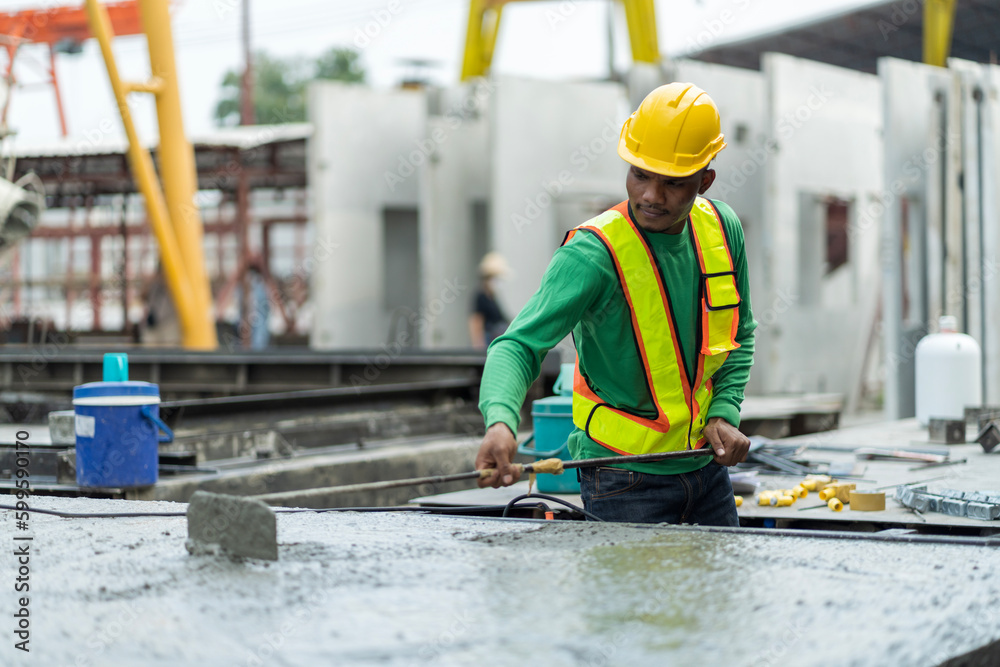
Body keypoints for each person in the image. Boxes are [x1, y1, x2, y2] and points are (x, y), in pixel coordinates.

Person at [474, 82, 756, 525]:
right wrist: (501, 422)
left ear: (705, 180)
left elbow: (741, 334)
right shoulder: (592, 254)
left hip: (707, 472)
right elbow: (518, 345)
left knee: (717, 596)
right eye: (640, 174)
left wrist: (724, 411)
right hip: (622, 480)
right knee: (628, 597)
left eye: (672, 183)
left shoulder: (723, 232)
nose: (650, 196)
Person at [468, 251, 510, 349]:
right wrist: (479, 345)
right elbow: (476, 321)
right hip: (489, 340)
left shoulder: (492, 297)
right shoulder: (481, 296)